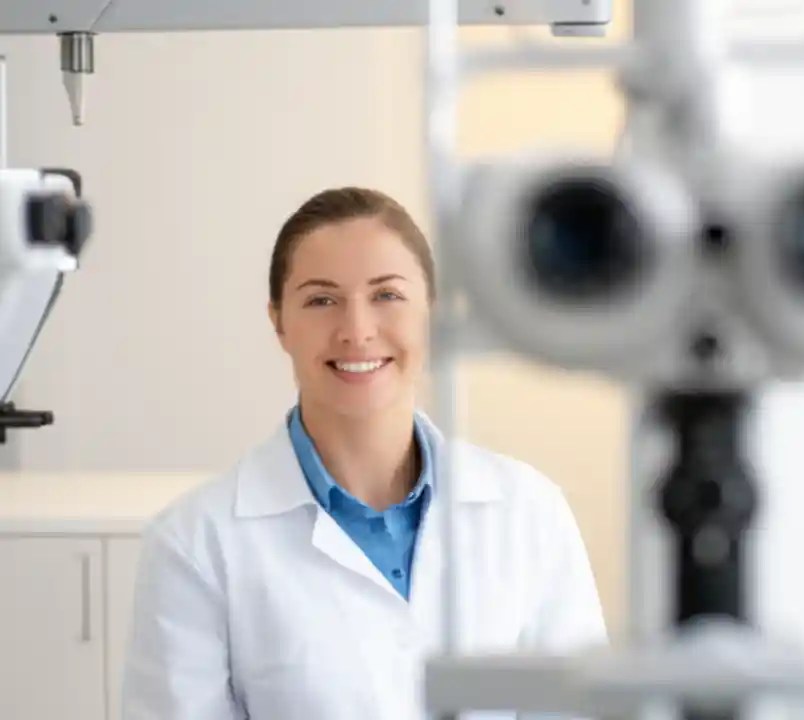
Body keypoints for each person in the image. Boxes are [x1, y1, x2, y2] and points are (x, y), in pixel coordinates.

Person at [121, 187, 607, 719]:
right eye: (321, 300)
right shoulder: (195, 544)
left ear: (432, 313)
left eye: (387, 295)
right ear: (279, 321)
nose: (356, 331)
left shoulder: (529, 511)